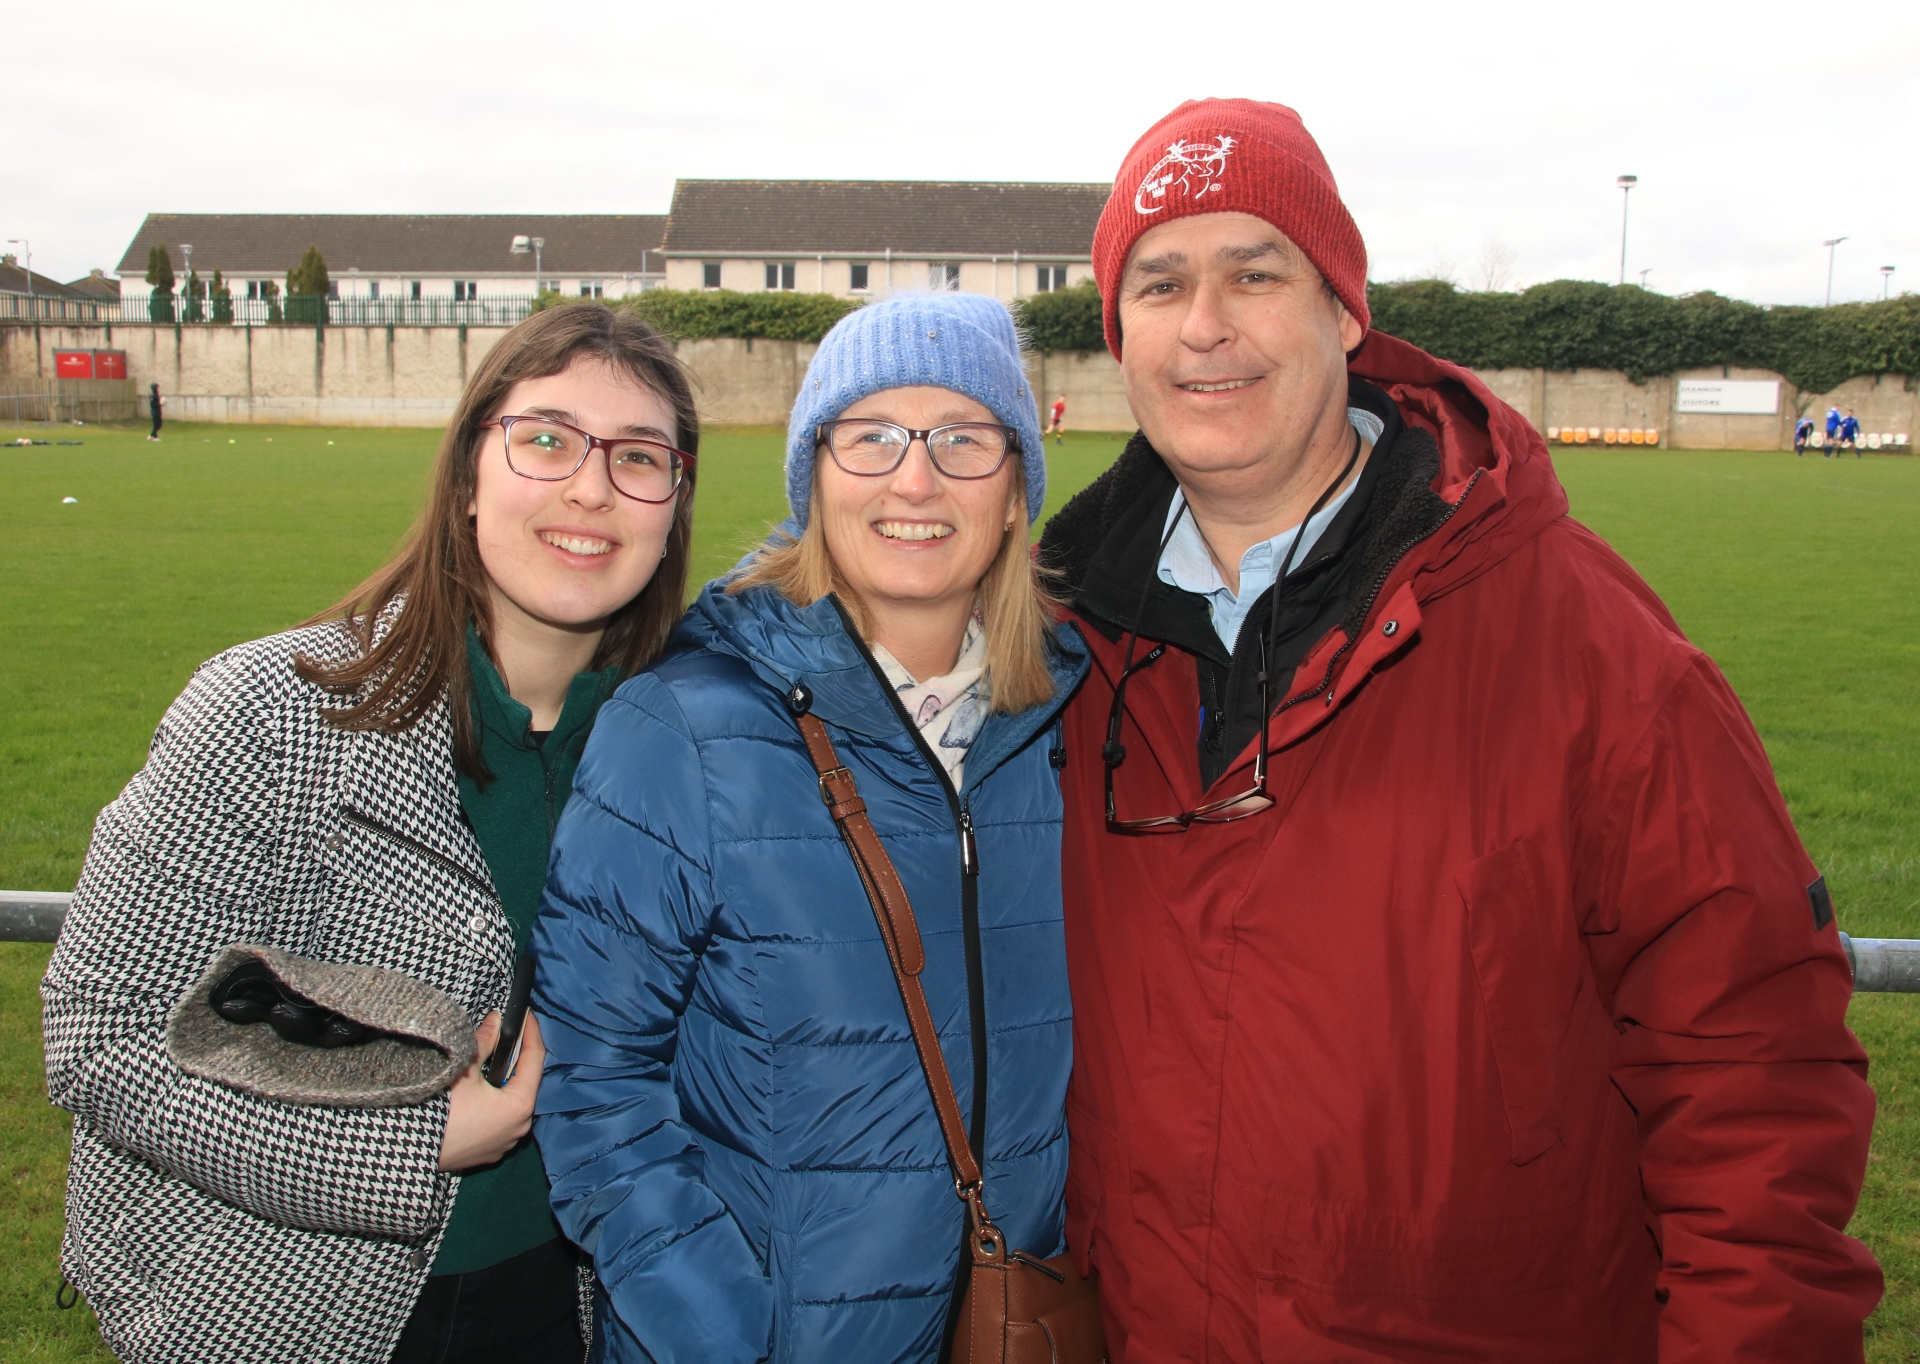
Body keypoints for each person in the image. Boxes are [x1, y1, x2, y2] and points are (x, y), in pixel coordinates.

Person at [1036, 98, 1880, 1362]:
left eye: (1253, 272)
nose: (1203, 324)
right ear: (1120, 334)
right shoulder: (1052, 646)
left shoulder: (1589, 645)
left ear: (1344, 310)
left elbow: (1755, 1077)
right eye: (1159, 284)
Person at [42, 304, 700, 1364]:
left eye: (637, 458)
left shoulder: (685, 745)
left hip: (576, 1301)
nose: (590, 488)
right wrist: (412, 1144)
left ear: (674, 503)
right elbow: (101, 1033)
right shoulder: (265, 710)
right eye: (545, 438)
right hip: (286, 1307)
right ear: (468, 471)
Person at [531, 293, 1089, 1363]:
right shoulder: (684, 726)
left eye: (962, 440)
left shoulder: (1068, 728)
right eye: (870, 436)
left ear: (1017, 488)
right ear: (815, 475)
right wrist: (729, 1334)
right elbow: (594, 1088)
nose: (914, 478)